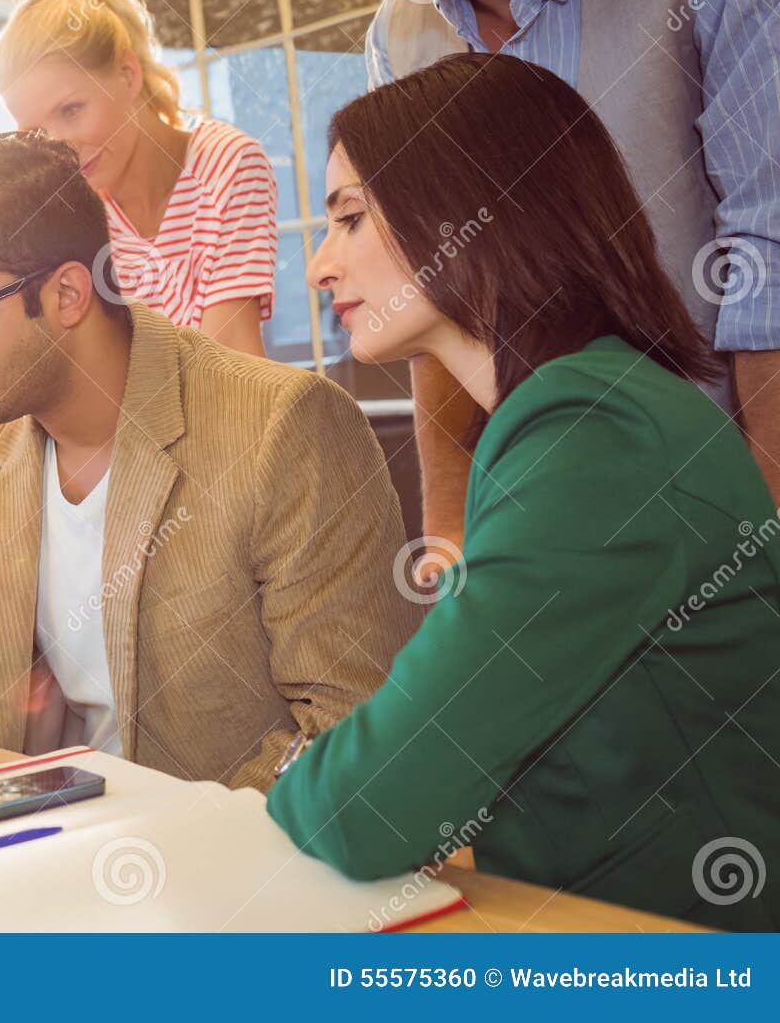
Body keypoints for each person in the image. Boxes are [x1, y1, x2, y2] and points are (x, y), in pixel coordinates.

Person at [0, 133, 422, 792]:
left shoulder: (278, 425)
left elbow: (351, 730)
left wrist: (147, 830)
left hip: (232, 877)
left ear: (68, 293)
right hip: (59, 853)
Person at [267, 53, 780, 931]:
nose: (318, 266)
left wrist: (304, 776)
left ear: (471, 212)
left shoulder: (595, 437)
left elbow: (369, 805)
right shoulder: (588, 408)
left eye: (350, 217)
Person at [253, 0, 780, 571]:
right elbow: (436, 304)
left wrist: (757, 548)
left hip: (720, 506)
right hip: (550, 532)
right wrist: (448, 535)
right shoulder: (400, 40)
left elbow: (768, 255)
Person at [0, 0, 278, 357]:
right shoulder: (71, 215)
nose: (60, 148)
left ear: (128, 75)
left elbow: (230, 359)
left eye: (72, 110)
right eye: (36, 132)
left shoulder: (227, 164)